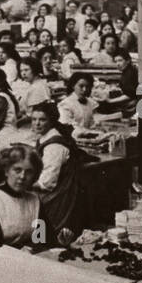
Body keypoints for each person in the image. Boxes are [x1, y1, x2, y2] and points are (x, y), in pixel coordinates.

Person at [0, 144, 74, 247]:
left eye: (29, 172)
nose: (22, 177)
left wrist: (59, 242)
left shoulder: (34, 201)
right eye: (17, 170)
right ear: (6, 171)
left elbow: (41, 240)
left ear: (35, 175)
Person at [29, 101, 90, 235]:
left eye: (42, 120)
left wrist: (25, 184)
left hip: (59, 194)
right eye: (34, 119)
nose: (37, 123)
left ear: (51, 121)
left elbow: (47, 183)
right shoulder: (46, 137)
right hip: (55, 188)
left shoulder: (54, 146)